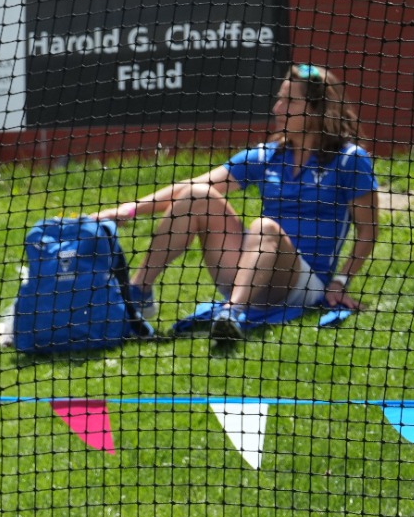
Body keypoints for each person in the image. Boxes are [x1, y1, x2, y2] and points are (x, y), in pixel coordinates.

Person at [89, 64, 379, 341]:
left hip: (305, 284)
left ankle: (231, 313)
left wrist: (340, 281)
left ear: (317, 110)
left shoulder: (350, 160)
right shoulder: (268, 155)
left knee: (265, 227)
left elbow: (368, 231)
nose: (277, 109)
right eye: (279, 100)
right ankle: (139, 295)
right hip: (250, 273)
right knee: (197, 196)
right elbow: (192, 185)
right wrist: (128, 210)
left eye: (289, 102)